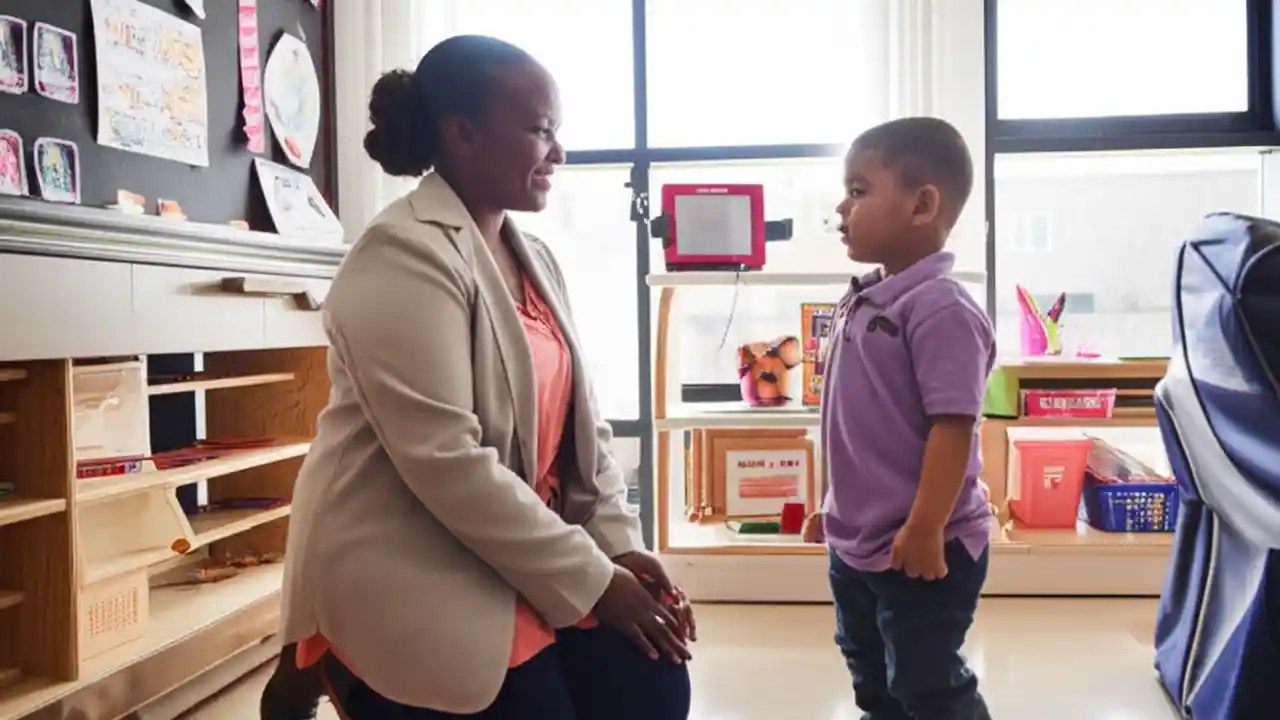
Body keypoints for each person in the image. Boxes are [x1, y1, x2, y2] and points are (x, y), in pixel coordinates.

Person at [265, 35, 695, 720]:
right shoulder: (401, 253)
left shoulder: (538, 259)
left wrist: (620, 549)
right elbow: (448, 463)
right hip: (411, 547)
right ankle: (327, 660)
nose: (559, 153)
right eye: (541, 131)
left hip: (516, 543)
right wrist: (593, 582)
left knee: (653, 683)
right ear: (461, 134)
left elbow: (586, 436)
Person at [808, 117, 995, 720]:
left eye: (859, 191)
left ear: (922, 205)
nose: (842, 207)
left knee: (926, 683)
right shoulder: (865, 297)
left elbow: (953, 428)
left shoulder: (939, 309)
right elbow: (854, 425)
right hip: (858, 541)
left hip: (924, 544)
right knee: (869, 671)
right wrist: (834, 502)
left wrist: (924, 526)